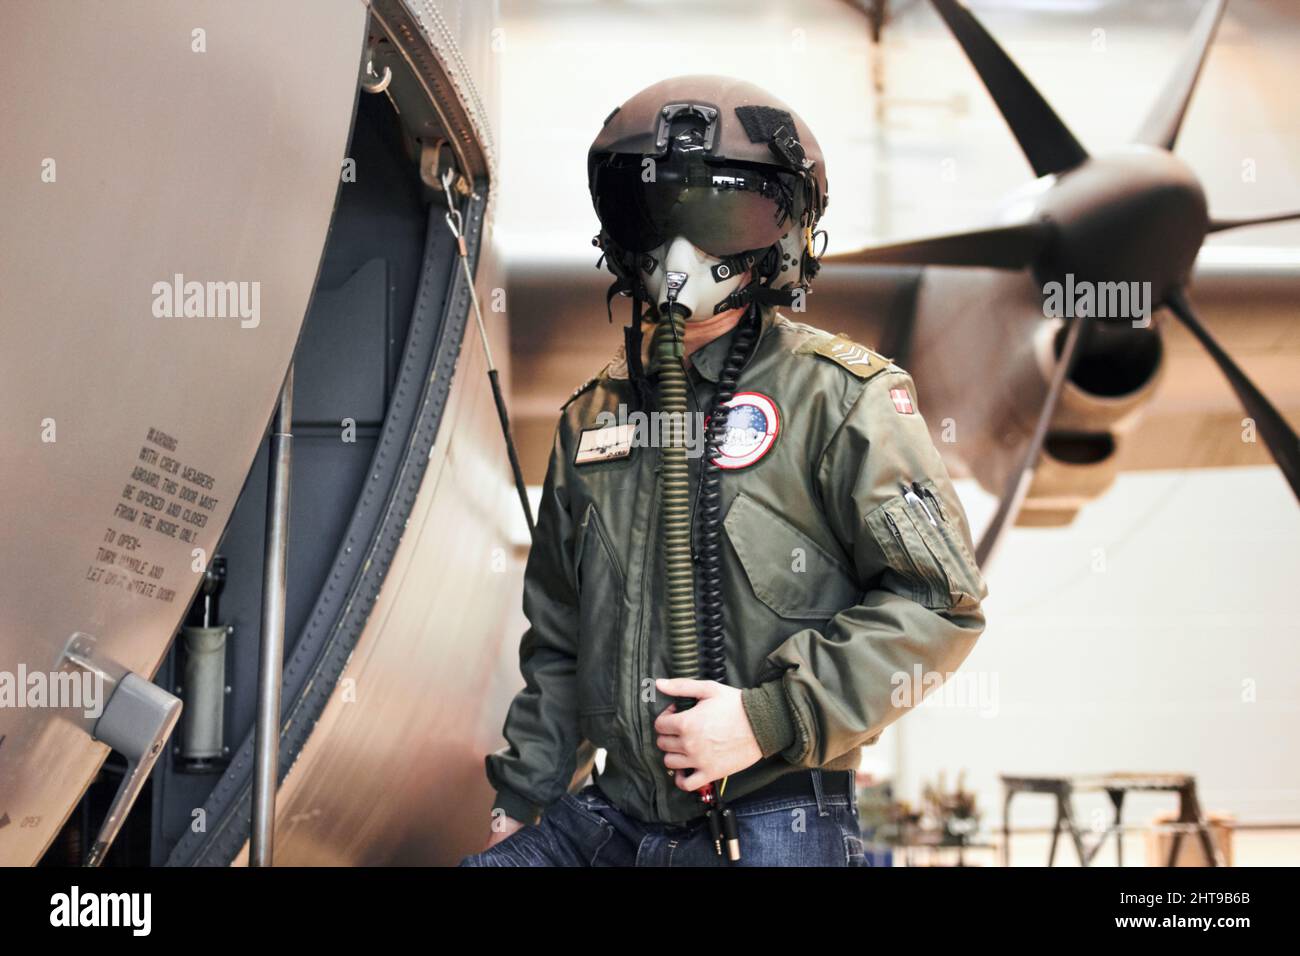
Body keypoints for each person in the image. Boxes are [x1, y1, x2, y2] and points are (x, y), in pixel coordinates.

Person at [461, 76, 987, 867]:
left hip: (776, 813)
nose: (683, 250)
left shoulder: (844, 399)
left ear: (785, 238)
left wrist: (766, 718)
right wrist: (524, 798)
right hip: (615, 811)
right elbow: (560, 642)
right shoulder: (592, 417)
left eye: (721, 216)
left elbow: (939, 607)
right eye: (659, 214)